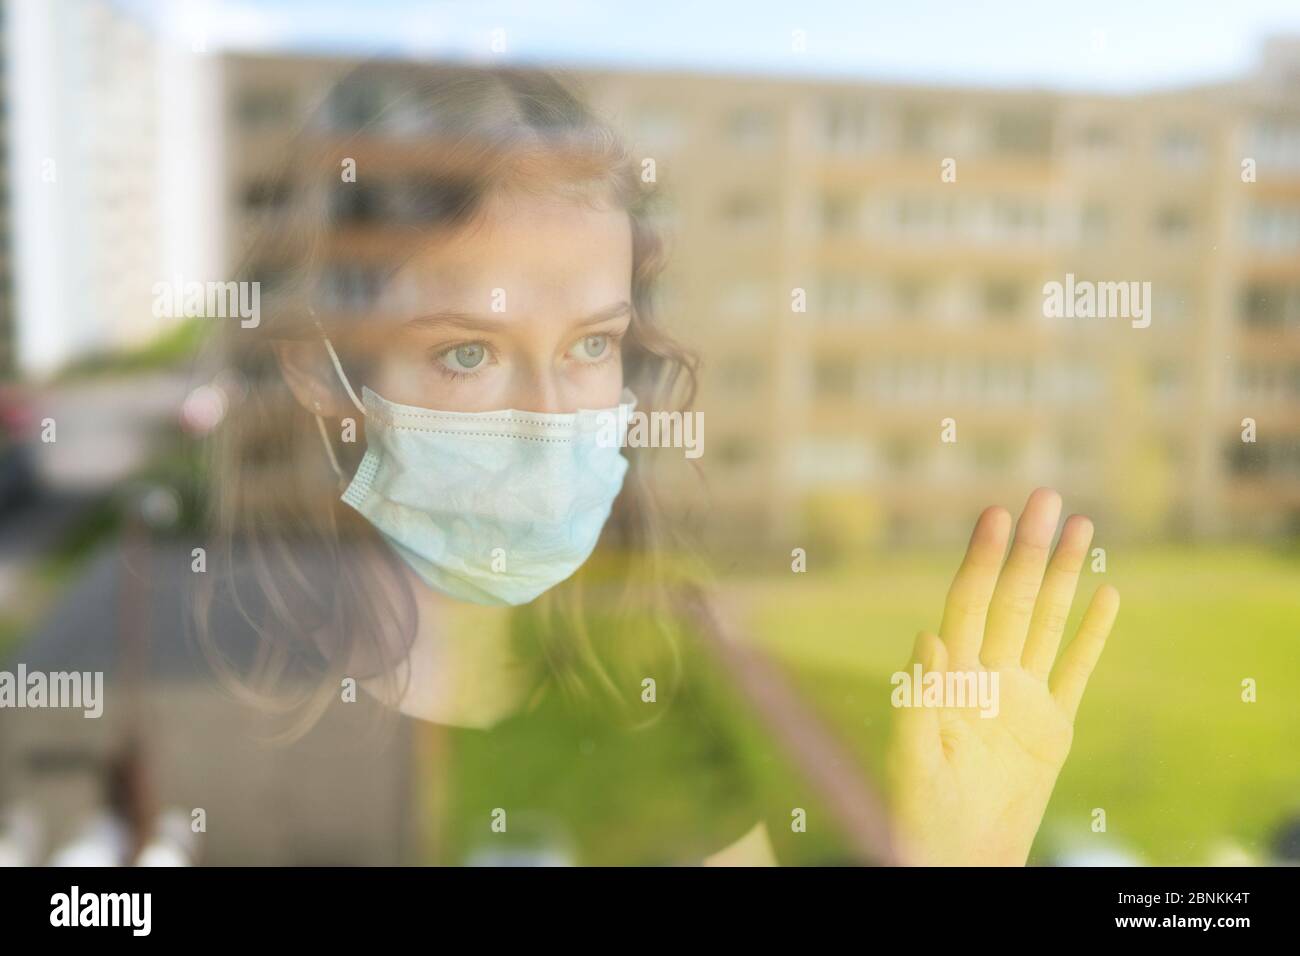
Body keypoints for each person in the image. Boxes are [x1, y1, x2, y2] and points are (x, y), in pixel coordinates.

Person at [194, 62, 1119, 866]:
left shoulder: (657, 707)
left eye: (590, 347)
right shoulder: (220, 757)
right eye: (468, 353)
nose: (551, 422)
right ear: (321, 371)